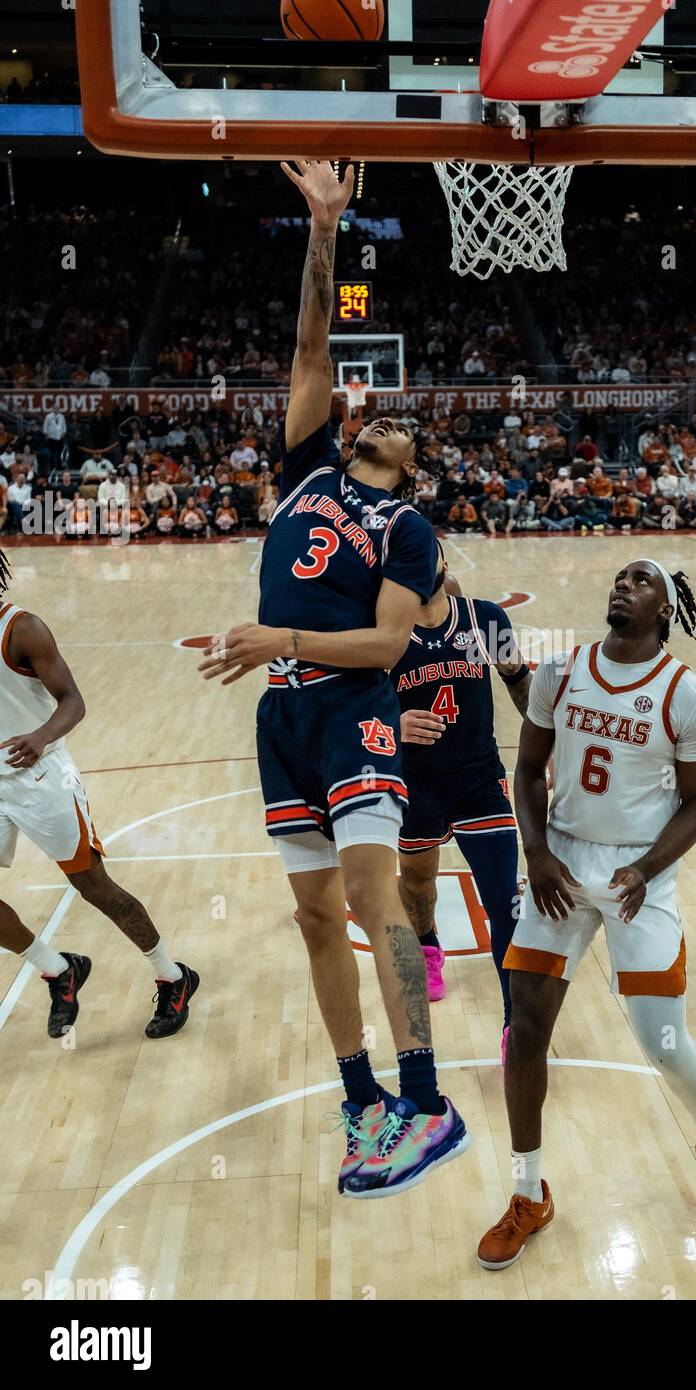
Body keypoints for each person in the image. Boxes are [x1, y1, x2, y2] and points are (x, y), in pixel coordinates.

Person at [199, 158, 468, 1200]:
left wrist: (281, 641)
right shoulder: (309, 466)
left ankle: (427, 1096)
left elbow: (393, 653)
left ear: (413, 468)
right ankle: (360, 1091)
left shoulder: (407, 530)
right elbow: (313, 341)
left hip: (351, 713)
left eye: (407, 431)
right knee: (315, 919)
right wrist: (324, 227)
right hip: (284, 724)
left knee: (372, 900)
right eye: (382, 416)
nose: (389, 418)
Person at [477, 560, 696, 1270]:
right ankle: (527, 1193)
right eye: (618, 578)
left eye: (640, 582)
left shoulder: (688, 695)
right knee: (526, 1031)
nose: (623, 586)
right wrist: (537, 849)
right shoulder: (560, 672)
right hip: (561, 869)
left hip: (643, 874)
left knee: (665, 1044)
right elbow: (525, 769)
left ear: (664, 611)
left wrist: (645, 867)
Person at [0, 548, 198, 1039]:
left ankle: (173, 976)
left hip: (40, 775)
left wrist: (42, 736)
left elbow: (74, 700)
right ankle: (57, 968)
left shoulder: (22, 628)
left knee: (94, 887)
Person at [390, 545, 530, 1054]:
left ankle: (517, 1025)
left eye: (430, 554)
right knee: (419, 884)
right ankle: (428, 944)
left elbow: (518, 681)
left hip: (478, 780)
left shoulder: (485, 619)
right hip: (414, 783)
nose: (421, 562)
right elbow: (354, 710)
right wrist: (392, 724)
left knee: (503, 901)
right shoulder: (384, 633)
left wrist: (546, 745)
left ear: (445, 565)